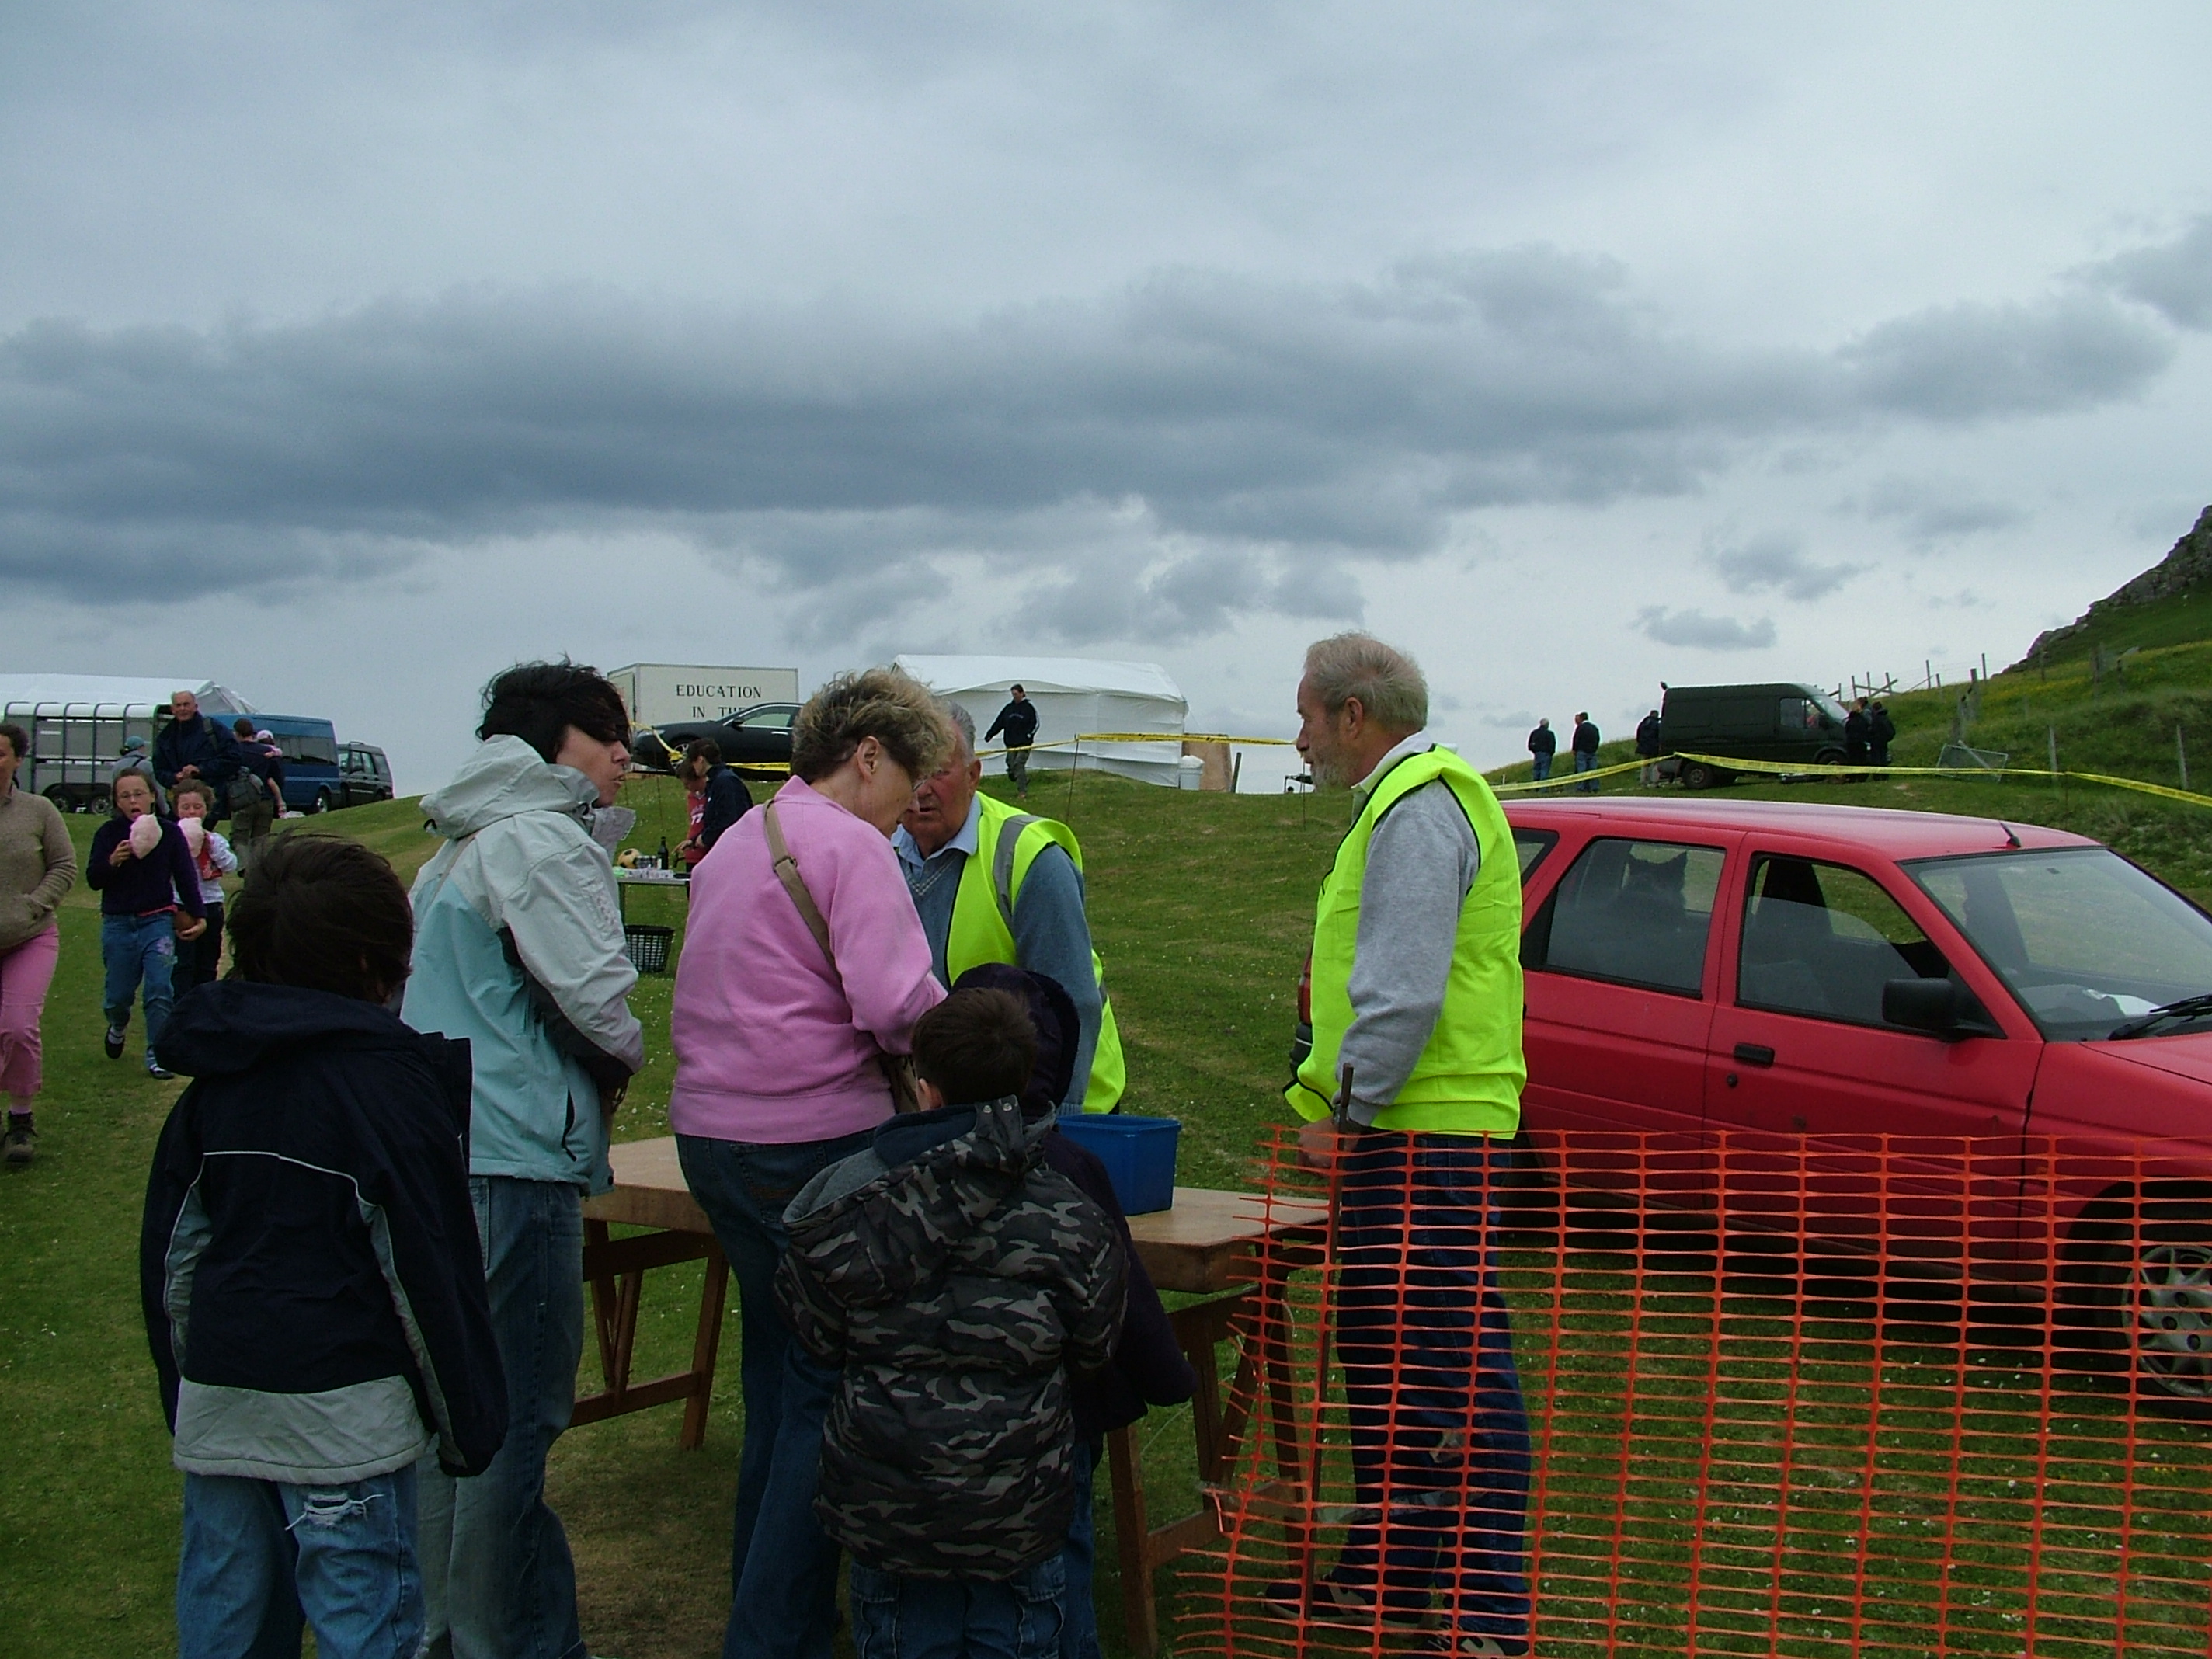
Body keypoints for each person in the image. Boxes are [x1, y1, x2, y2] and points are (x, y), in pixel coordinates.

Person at [140, 835, 509, 1659]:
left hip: (228, 1400)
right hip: (340, 1421)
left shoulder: (215, 1089)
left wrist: (188, 1391)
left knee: (226, 1622)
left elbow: (174, 1267)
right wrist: (468, 1419)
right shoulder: (385, 1094)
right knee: (360, 1625)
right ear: (382, 961)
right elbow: (431, 1272)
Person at [669, 666, 951, 1659]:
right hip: (810, 1142)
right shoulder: (853, 847)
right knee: (824, 1396)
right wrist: (959, 1027)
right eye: (909, 774)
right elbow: (893, 1003)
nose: (914, 798)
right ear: (866, 754)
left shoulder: (741, 840)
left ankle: (771, 1598)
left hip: (712, 1133)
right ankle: (774, 1630)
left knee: (780, 1379)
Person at [1283, 632, 1532, 1659]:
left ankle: (1485, 1616)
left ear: (1353, 714)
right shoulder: (1405, 804)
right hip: (1416, 1132)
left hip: (1425, 1135)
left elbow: (1403, 989)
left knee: (1449, 1374)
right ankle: (1385, 1579)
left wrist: (1346, 1113)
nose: (1299, 738)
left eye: (1306, 715)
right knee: (1391, 1369)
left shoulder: (1418, 807)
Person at [402, 659, 645, 1659]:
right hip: (515, 1162)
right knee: (513, 1424)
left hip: (446, 1153)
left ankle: (448, 1631)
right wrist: (623, 1055)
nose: (625, 753)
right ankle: (497, 1639)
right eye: (603, 730)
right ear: (553, 744)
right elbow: (597, 1004)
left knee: (450, 1418)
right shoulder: (540, 840)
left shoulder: (453, 847)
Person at [774, 986, 1127, 1659]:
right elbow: (1095, 1343)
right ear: (1024, 1081)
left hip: (895, 1510)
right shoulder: (1070, 1211)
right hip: (1012, 1507)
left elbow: (811, 1331)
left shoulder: (848, 1203)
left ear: (923, 1087)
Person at [951, 964, 1195, 1659]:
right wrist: (1165, 1377)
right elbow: (1123, 1300)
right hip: (1050, 1432)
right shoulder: (1072, 1169)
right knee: (1054, 1571)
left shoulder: (898, 1164)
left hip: (913, 1433)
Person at [895, 703, 1124, 1113]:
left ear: (973, 775)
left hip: (1051, 1103)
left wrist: (1058, 1123)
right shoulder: (876, 849)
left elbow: (1073, 1002)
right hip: (955, 1101)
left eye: (937, 772)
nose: (920, 790)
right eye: (911, 773)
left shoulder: (1029, 856)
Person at [88, 770, 207, 1080]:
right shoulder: (109, 834)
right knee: (118, 995)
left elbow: (186, 877)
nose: (133, 801)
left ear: (152, 796)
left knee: (159, 988)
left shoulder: (169, 833)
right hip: (118, 923)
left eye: (139, 793)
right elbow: (93, 879)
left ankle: (158, 1054)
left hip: (157, 921)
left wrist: (199, 916)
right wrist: (112, 861)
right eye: (125, 796)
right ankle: (117, 1025)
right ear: (117, 802)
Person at [0, 722, 78, 1163]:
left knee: (17, 1025)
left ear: (16, 760)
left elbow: (64, 867)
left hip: (29, 936)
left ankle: (21, 1120)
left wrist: (33, 904)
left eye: (0, 754)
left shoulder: (39, 810)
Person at [169, 781, 238, 996]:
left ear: (207, 809)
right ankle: (180, 1008)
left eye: (197, 807)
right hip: (181, 905)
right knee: (182, 963)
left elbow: (231, 865)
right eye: (185, 807)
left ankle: (204, 1006)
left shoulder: (215, 839)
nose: (191, 812)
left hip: (210, 904)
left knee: (207, 962)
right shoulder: (170, 838)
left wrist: (210, 846)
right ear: (177, 810)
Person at [153, 689, 244, 826]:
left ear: (195, 707)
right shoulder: (165, 736)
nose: (182, 709)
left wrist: (200, 770)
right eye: (178, 705)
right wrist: (174, 777)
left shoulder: (213, 729)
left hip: (211, 800)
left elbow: (234, 758)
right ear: (172, 709)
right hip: (179, 800)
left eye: (186, 704)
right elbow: (159, 769)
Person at [677, 737, 753, 868]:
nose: (693, 766)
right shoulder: (714, 783)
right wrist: (694, 840)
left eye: (693, 761)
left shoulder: (725, 781)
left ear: (701, 760)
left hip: (733, 857)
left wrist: (705, 838)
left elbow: (728, 819)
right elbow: (713, 820)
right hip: (720, 854)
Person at [229, 719, 285, 871]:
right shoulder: (266, 751)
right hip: (265, 799)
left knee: (240, 837)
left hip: (242, 799)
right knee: (261, 839)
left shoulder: (234, 751)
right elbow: (278, 776)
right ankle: (259, 870)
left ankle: (245, 867)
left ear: (237, 733)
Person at [986, 683, 1041, 800]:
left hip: (1024, 744)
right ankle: (1024, 780)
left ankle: (1022, 792)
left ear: (1022, 693)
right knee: (1011, 765)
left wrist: (1029, 735)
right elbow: (999, 722)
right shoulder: (1008, 709)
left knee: (1018, 765)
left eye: (1016, 694)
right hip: (1011, 743)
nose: (1014, 696)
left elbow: (1036, 724)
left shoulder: (1029, 708)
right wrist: (991, 734)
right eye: (1013, 694)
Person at [112, 732, 168, 814]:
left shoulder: (117, 765)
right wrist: (165, 810)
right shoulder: (147, 765)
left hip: (123, 809)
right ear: (140, 748)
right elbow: (157, 789)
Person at [1570, 711, 1600, 792]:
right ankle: (1594, 787)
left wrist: (1574, 749)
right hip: (1592, 751)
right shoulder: (1594, 728)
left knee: (1581, 770)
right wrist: (1594, 748)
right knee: (1593, 770)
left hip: (1582, 751)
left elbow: (1576, 739)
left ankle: (1581, 787)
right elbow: (1597, 739)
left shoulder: (1580, 728)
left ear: (1582, 718)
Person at [1635, 709, 1663, 787]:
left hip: (1643, 748)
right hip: (1654, 748)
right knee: (1655, 765)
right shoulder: (1657, 724)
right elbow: (1659, 736)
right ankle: (1655, 782)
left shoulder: (1642, 724)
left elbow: (1638, 736)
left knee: (1644, 766)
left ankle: (1643, 782)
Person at [1524, 719, 1554, 784]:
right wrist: (1550, 753)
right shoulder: (1549, 734)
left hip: (1537, 754)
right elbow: (1552, 744)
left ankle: (1536, 786)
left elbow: (1530, 744)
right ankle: (1543, 788)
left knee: (1536, 770)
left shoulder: (1534, 733)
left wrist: (1534, 751)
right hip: (1546, 754)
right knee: (1544, 771)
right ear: (1547, 725)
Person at [1869, 700, 1896, 767]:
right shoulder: (1885, 718)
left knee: (1877, 758)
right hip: (1884, 741)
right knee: (1883, 757)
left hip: (1876, 742)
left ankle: (1878, 775)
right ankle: (1884, 774)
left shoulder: (1876, 719)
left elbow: (1873, 730)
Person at [1845, 699, 1871, 768]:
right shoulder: (1863, 720)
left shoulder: (1849, 722)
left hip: (1851, 743)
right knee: (1862, 759)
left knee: (1852, 760)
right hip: (1861, 743)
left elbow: (1846, 731)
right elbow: (1866, 730)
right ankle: (1862, 776)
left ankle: (1852, 776)